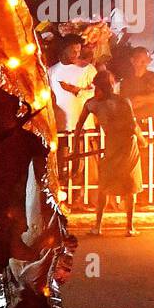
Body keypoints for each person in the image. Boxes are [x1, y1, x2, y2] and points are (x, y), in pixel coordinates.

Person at [74, 71, 147, 236]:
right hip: (118, 146)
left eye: (98, 88)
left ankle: (123, 227)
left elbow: (132, 125)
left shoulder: (111, 102)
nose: (95, 92)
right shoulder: (98, 103)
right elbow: (133, 125)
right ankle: (107, 227)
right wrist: (142, 141)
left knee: (124, 186)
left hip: (123, 146)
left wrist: (141, 141)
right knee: (111, 186)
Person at [48, 37, 97, 196]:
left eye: (78, 50)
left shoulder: (88, 69)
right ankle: (65, 194)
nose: (76, 53)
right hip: (62, 124)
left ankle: (85, 196)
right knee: (63, 161)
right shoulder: (52, 71)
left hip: (82, 124)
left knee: (83, 160)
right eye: (73, 50)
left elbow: (97, 93)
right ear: (63, 50)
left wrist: (75, 90)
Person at [119, 45, 154, 120]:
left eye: (146, 61)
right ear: (132, 60)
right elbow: (125, 103)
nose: (144, 63)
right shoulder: (125, 82)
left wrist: (143, 99)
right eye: (141, 61)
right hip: (134, 122)